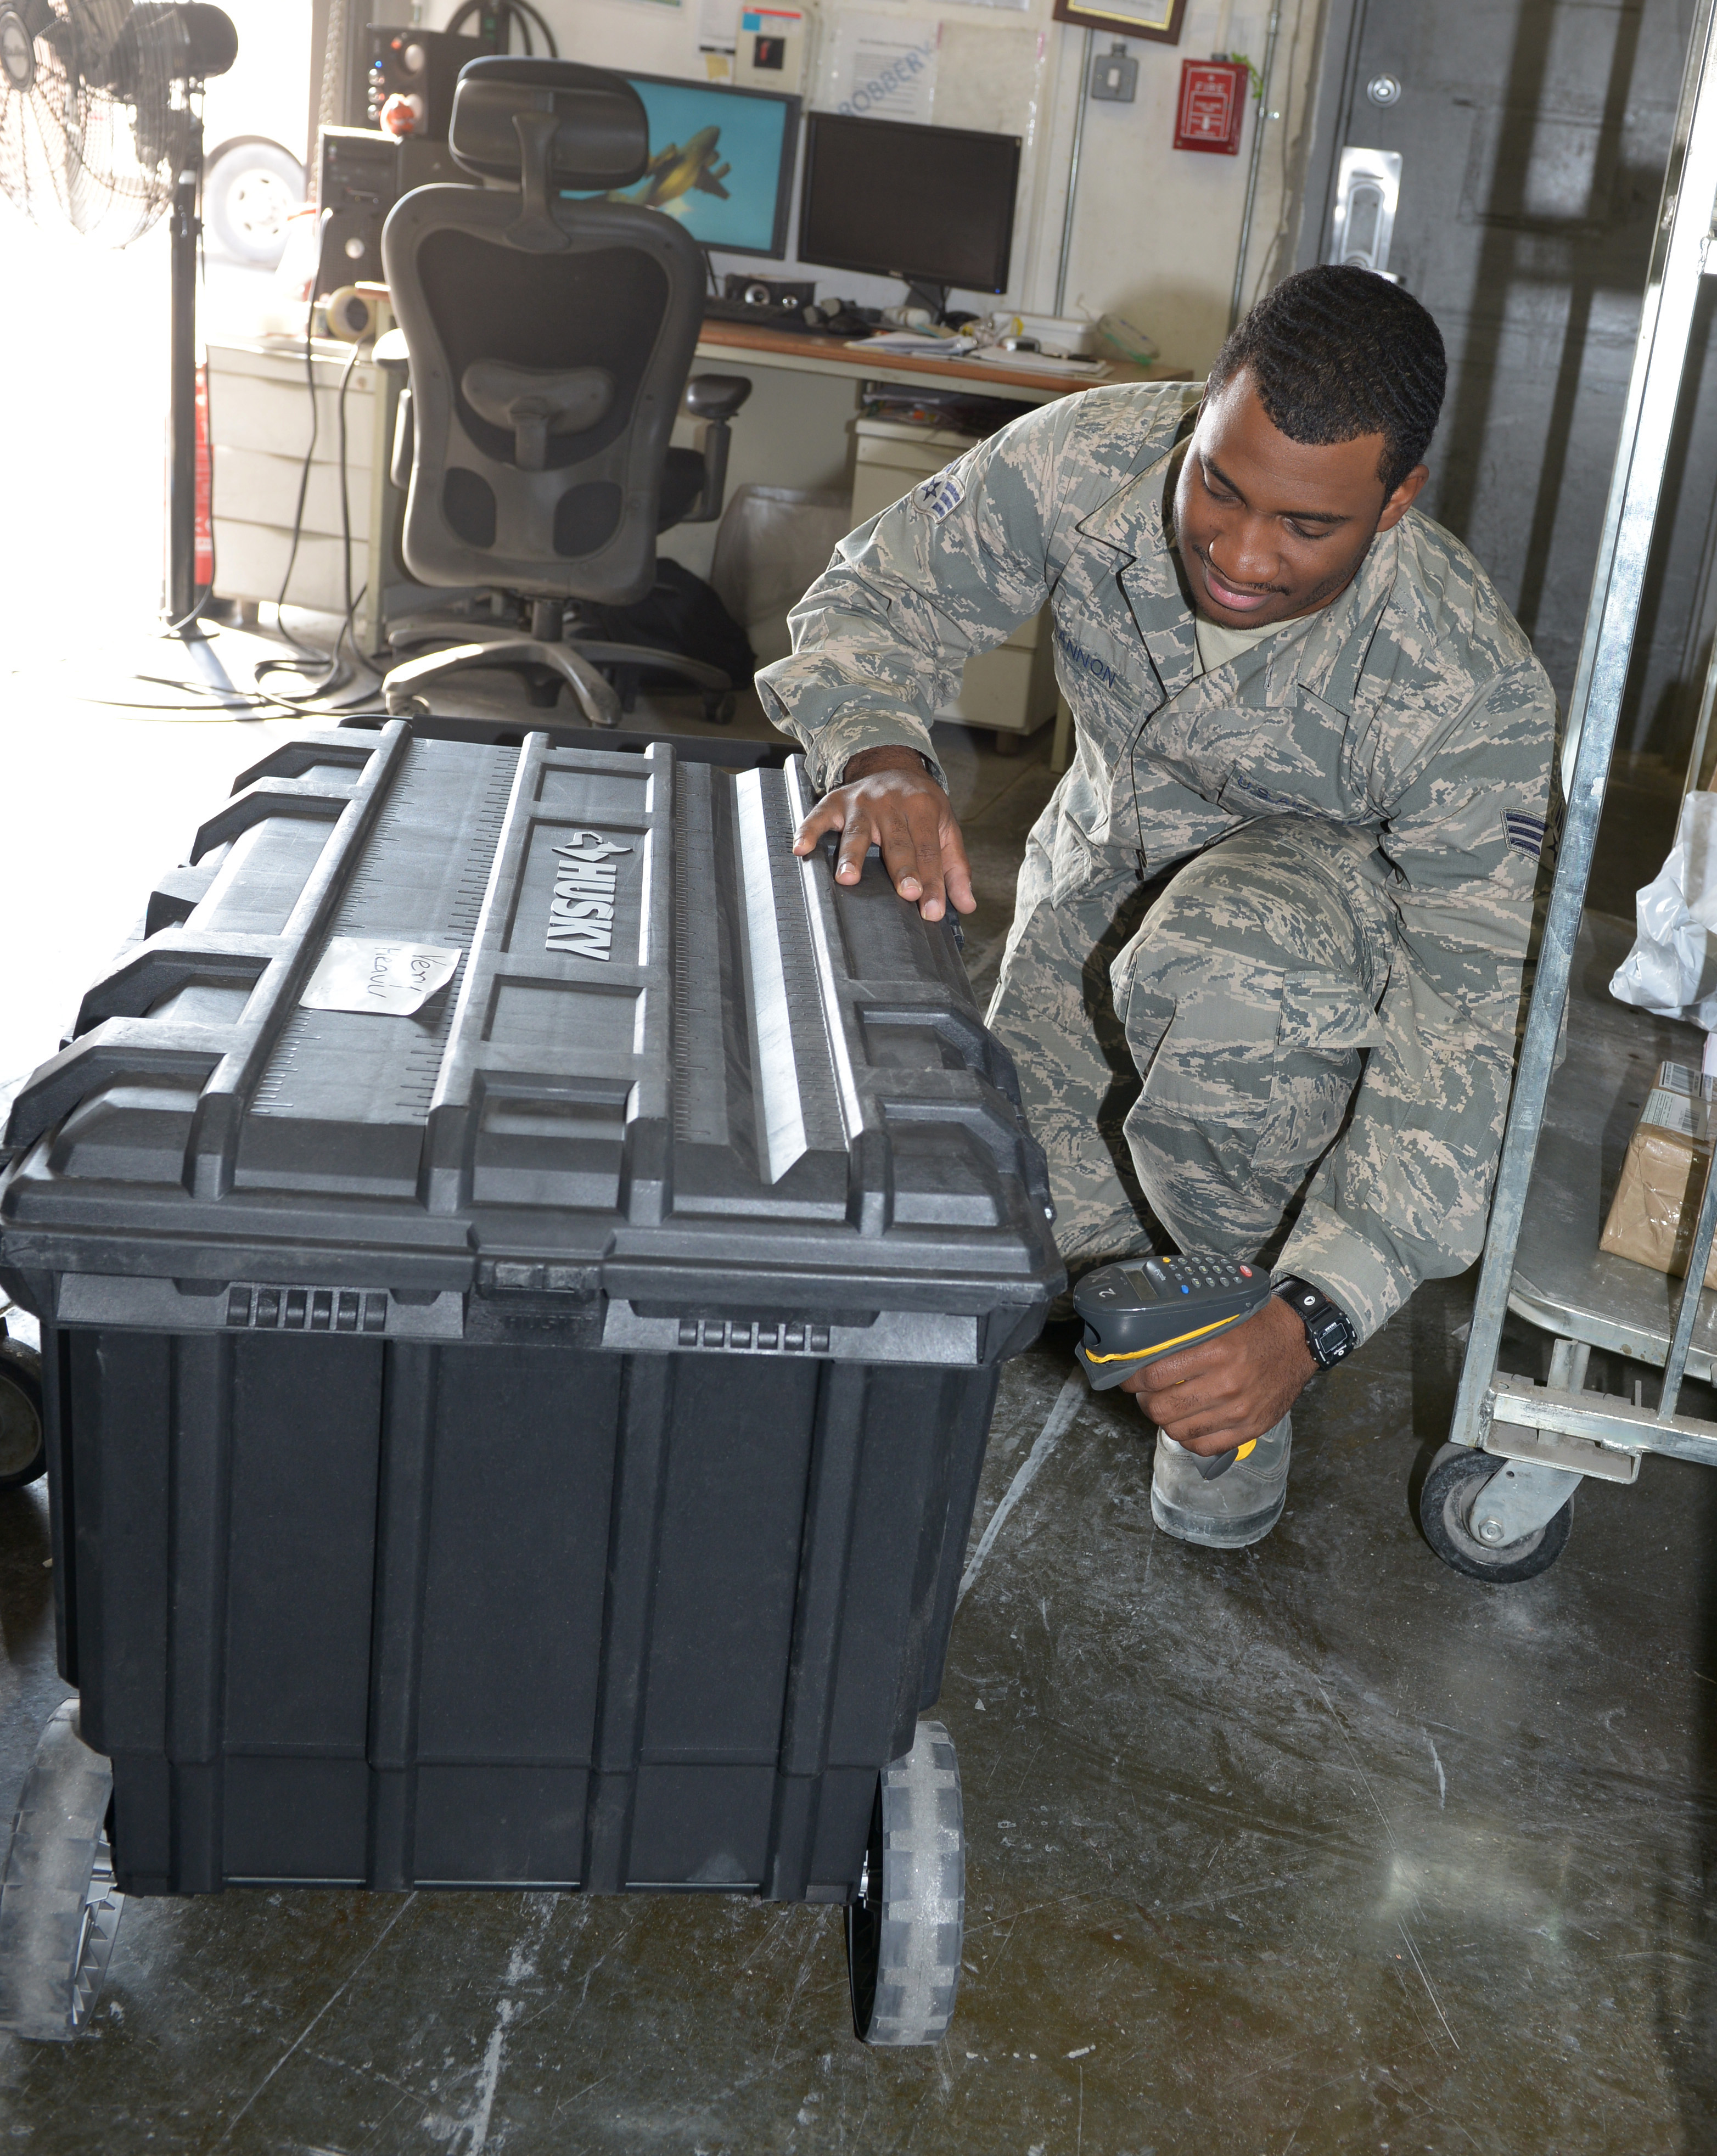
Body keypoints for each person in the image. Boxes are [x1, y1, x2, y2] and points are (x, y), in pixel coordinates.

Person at [758, 265, 1557, 1551]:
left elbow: (1465, 1026)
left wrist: (1317, 1312)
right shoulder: (1095, 455)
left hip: (1289, 958)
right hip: (1093, 882)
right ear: (1200, 421)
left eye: (1306, 528)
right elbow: (874, 593)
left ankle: (1236, 1347)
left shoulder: (1470, 689)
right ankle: (1166, 1281)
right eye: (1220, 489)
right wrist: (878, 751)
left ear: (1395, 501)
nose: (1241, 556)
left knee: (1225, 964)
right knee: (1025, 1239)